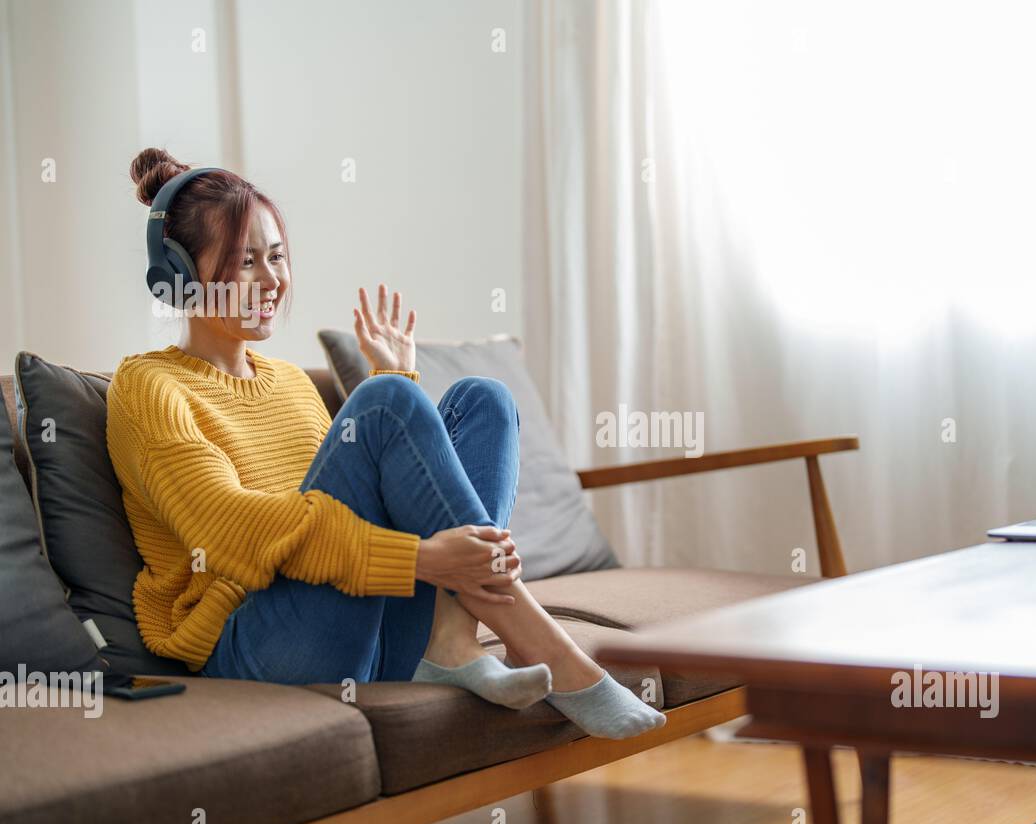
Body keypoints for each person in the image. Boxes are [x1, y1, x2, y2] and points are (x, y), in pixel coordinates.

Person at [104, 147, 665, 740]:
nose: (272, 281)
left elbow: (358, 507)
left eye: (277, 256)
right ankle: (544, 642)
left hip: (366, 635)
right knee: (384, 402)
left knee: (484, 399)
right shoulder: (148, 387)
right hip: (262, 652)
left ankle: (451, 639)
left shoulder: (291, 383)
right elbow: (233, 532)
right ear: (181, 277)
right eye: (245, 262)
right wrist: (422, 559)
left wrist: (398, 377)